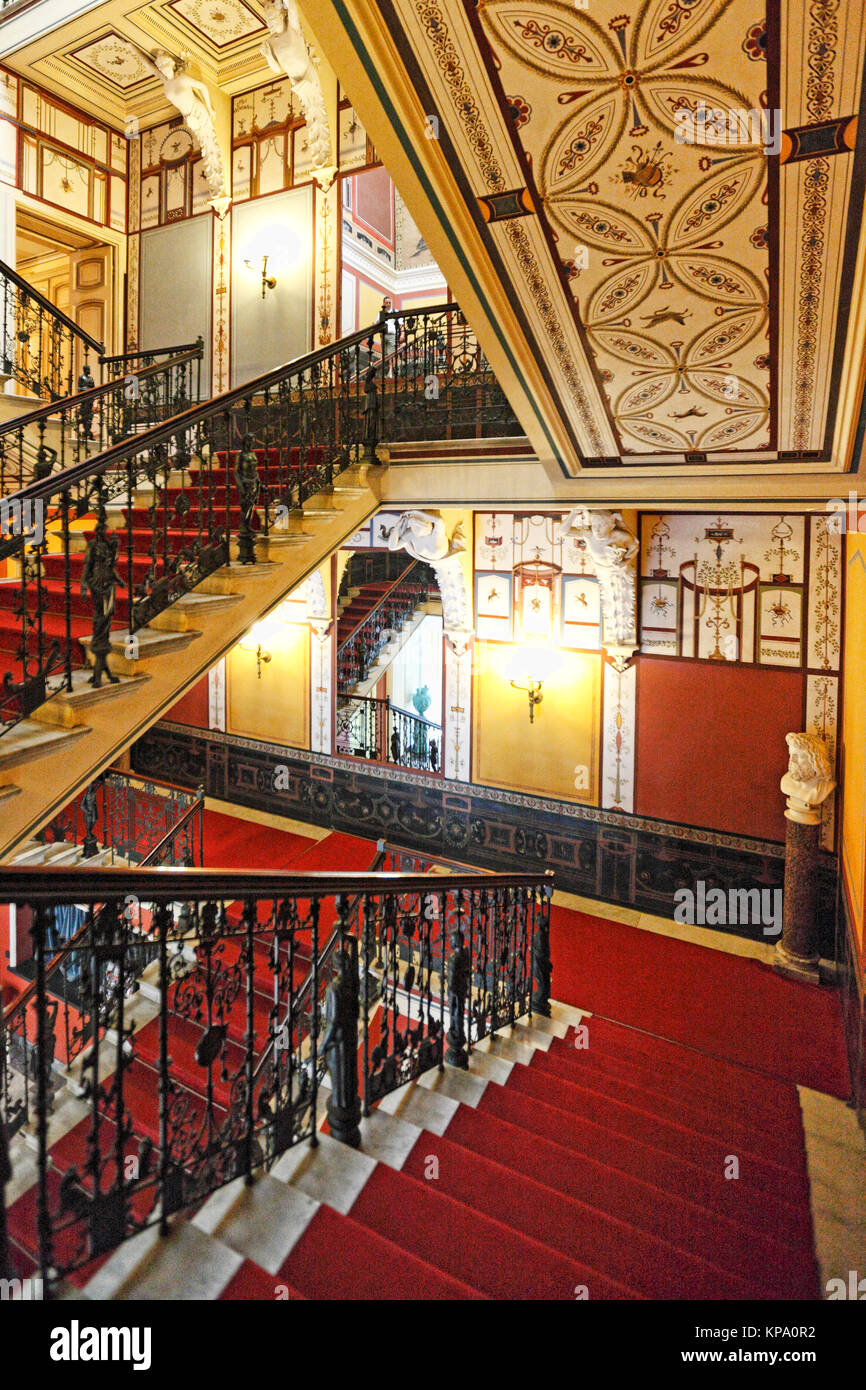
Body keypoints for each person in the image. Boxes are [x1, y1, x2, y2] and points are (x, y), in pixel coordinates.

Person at [77, 363, 95, 441]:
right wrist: (85, 389)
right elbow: (79, 388)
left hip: (90, 399)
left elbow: (93, 388)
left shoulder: (91, 379)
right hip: (84, 399)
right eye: (88, 369)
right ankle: (86, 430)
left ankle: (88, 430)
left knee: (89, 415)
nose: (89, 371)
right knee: (84, 414)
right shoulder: (81, 377)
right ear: (85, 370)